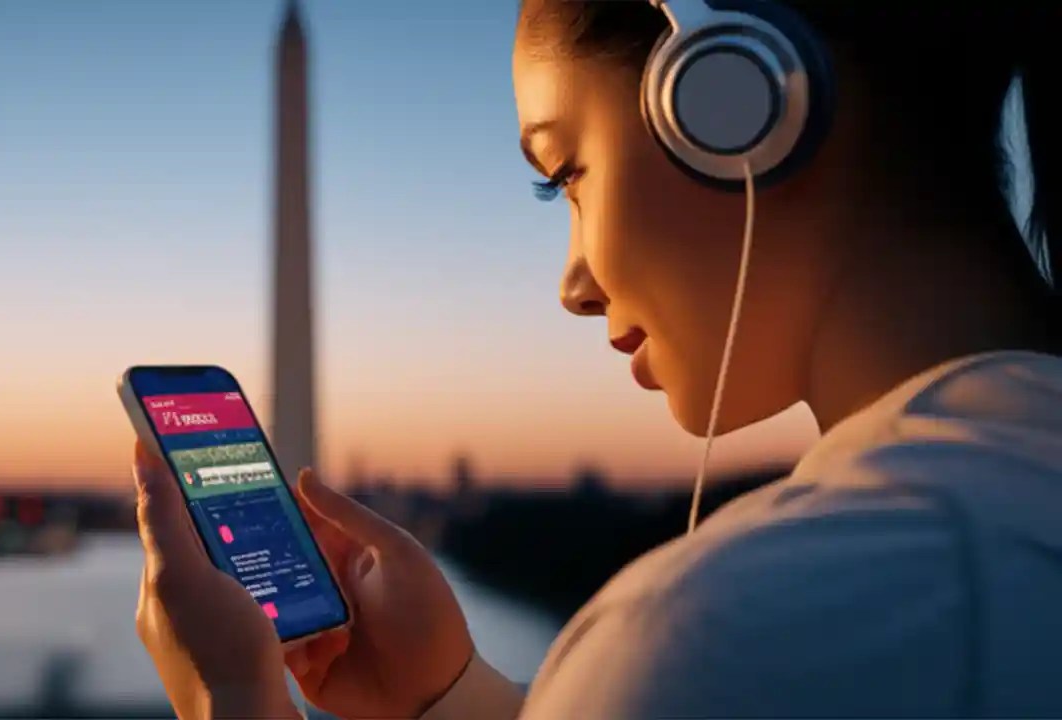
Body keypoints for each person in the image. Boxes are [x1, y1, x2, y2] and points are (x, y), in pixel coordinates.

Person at [131, 0, 1062, 717]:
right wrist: (444, 695)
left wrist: (234, 703)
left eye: (566, 175)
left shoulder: (730, 631)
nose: (573, 284)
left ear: (733, 103)